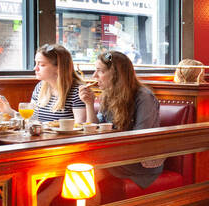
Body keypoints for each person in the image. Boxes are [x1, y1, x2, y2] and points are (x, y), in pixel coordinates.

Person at [79, 50, 163, 188]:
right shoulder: (108, 95)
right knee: (78, 166)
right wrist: (89, 103)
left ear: (115, 73)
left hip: (140, 162)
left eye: (100, 71)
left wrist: (105, 152)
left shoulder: (144, 97)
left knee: (86, 169)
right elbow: (95, 129)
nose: (94, 76)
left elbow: (140, 138)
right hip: (114, 155)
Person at [29, 43, 85, 123]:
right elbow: (31, 119)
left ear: (59, 67)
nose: (35, 68)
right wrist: (9, 111)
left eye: (41, 65)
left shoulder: (78, 91)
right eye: (36, 63)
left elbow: (80, 126)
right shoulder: (40, 87)